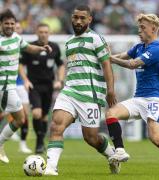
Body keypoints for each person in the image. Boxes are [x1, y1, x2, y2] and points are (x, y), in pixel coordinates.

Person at [44, 5, 119, 176]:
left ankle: (112, 155)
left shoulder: (96, 39)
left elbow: (106, 65)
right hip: (70, 91)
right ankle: (51, 167)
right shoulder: (70, 42)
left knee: (91, 138)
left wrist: (110, 90)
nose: (78, 21)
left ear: (90, 19)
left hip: (90, 95)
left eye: (82, 18)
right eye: (75, 17)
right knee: (56, 126)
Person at [105, 13, 159, 169]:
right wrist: (106, 56)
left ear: (153, 29)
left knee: (156, 138)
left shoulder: (157, 49)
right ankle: (119, 150)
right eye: (139, 27)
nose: (139, 31)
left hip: (155, 98)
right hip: (138, 98)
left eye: (142, 27)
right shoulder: (139, 47)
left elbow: (132, 64)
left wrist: (110, 59)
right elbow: (122, 56)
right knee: (111, 113)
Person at [0, 9, 52, 163]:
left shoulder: (16, 38)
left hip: (10, 87)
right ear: (0, 24)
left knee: (19, 118)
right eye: (6, 23)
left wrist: (41, 48)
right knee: (19, 118)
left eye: (12, 23)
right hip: (4, 87)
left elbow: (28, 48)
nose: (9, 26)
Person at [19, 23, 65, 154]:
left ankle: (40, 142)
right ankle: (39, 143)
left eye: (46, 32)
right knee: (36, 113)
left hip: (49, 86)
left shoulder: (55, 47)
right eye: (41, 32)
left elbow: (61, 65)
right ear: (36, 32)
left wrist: (60, 81)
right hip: (34, 86)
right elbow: (21, 65)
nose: (43, 34)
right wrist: (25, 80)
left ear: (49, 33)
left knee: (44, 116)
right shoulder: (30, 47)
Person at [15, 21, 32, 153]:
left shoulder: (24, 47)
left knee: (25, 114)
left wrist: (26, 80)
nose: (16, 29)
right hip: (4, 84)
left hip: (20, 84)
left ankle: (23, 144)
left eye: (18, 27)